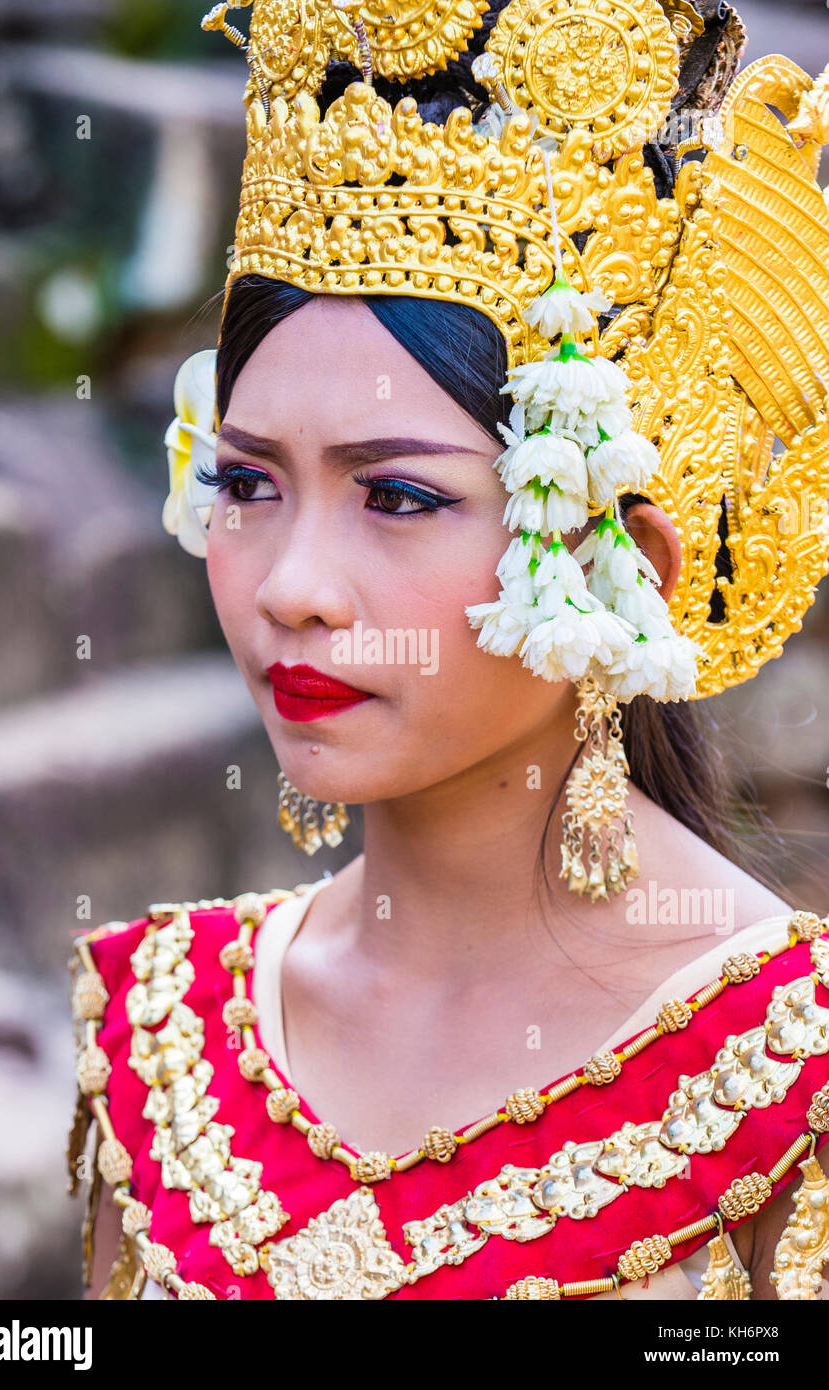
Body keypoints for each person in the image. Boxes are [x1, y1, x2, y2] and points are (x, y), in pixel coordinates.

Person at [67, 0, 829, 1300]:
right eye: (248, 485)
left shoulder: (791, 1083)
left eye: (399, 497)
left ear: (616, 559)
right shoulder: (159, 1026)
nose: (293, 587)